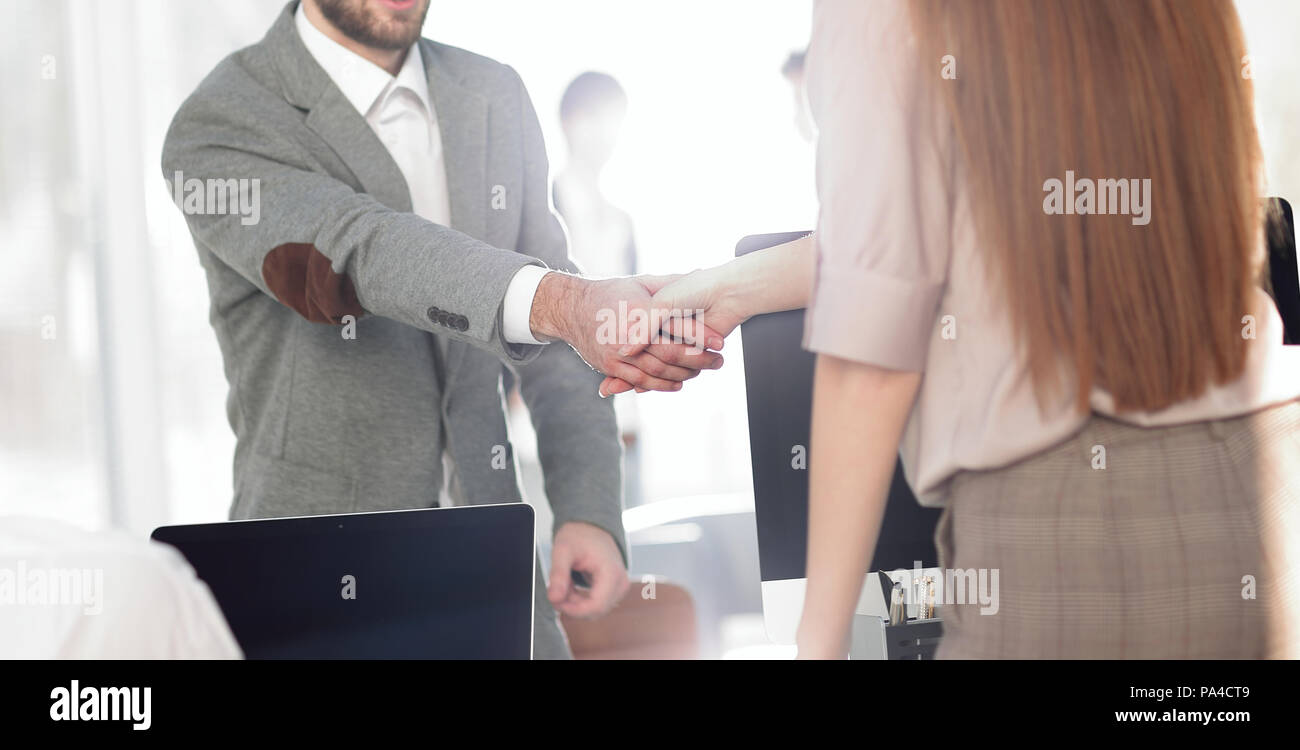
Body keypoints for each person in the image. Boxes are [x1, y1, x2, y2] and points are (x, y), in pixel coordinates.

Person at [610, 0, 1300, 658]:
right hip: (1268, 503)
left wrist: (816, 647)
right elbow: (1014, 232)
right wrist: (726, 289)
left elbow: (871, 358)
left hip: (1072, 533)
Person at [161, 0, 722, 659]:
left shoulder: (493, 94)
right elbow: (353, 252)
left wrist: (588, 508)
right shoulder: (222, 122)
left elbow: (555, 337)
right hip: (316, 585)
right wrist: (567, 302)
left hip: (493, 575)